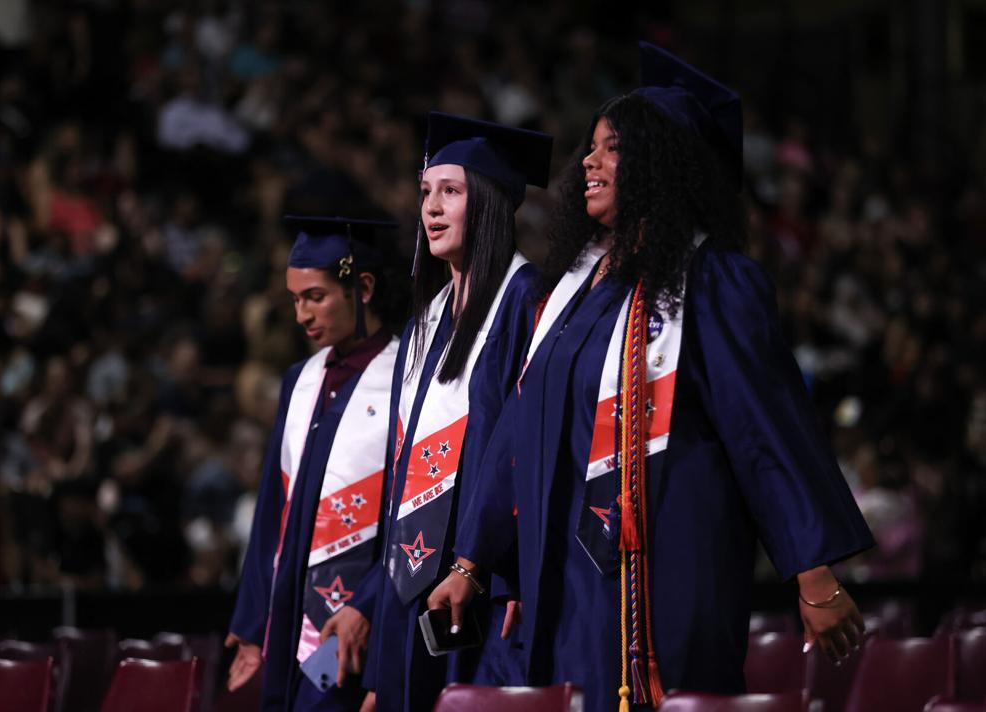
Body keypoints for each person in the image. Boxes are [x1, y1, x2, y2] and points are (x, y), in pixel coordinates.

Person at [429, 42, 874, 711]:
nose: (588, 161)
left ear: (660, 163)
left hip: (664, 561)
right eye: (589, 148)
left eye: (612, 149)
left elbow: (763, 427)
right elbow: (516, 432)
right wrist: (472, 560)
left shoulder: (711, 281)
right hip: (562, 572)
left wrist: (813, 571)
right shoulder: (565, 295)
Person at [331, 113, 552, 712]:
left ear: (489, 204)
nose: (430, 207)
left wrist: (491, 567)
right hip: (417, 583)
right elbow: (405, 484)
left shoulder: (527, 301)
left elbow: (523, 450)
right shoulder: (426, 322)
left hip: (485, 582)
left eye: (450, 191)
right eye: (426, 191)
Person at [226, 217, 402, 711]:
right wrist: (251, 626)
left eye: (315, 297)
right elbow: (271, 509)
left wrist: (369, 603)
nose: (301, 315)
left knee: (326, 700)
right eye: (294, 299)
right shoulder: (300, 381)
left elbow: (409, 513)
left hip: (356, 609)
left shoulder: (405, 376)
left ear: (362, 288)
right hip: (290, 608)